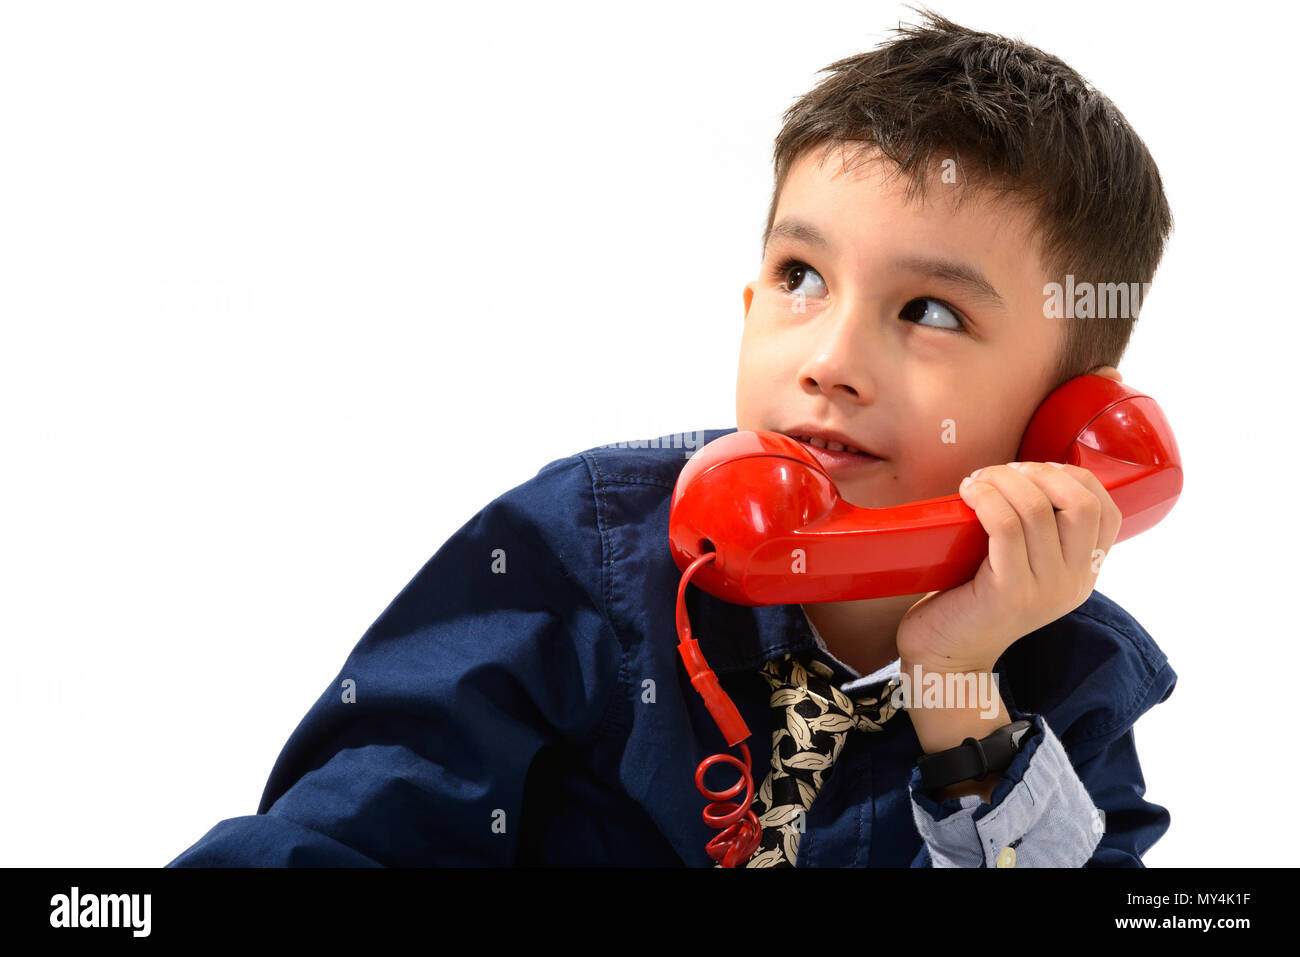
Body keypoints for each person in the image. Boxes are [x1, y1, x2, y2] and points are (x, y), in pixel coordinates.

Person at [168, 8, 1176, 868]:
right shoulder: (581, 554)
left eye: (931, 312)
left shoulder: (1074, 687)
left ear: (1065, 427)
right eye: (801, 278)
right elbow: (344, 837)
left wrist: (956, 685)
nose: (830, 358)